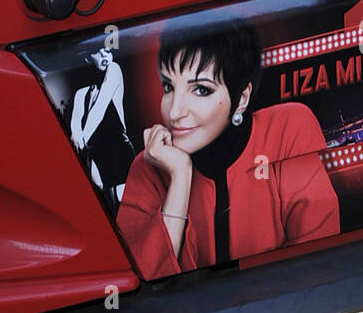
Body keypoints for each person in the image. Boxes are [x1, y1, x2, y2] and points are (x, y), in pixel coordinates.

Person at [117, 22, 340, 280]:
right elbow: (137, 287)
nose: (175, 112)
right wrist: (179, 178)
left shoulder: (287, 130)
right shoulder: (148, 168)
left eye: (201, 90)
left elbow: (319, 263)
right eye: (169, 87)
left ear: (242, 99)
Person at [70, 47, 135, 208]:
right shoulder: (81, 94)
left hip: (117, 152)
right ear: (88, 58)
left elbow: (99, 109)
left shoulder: (114, 70)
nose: (104, 56)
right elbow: (75, 131)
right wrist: (84, 153)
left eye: (107, 51)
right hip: (94, 156)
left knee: (125, 210)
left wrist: (83, 143)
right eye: (98, 53)